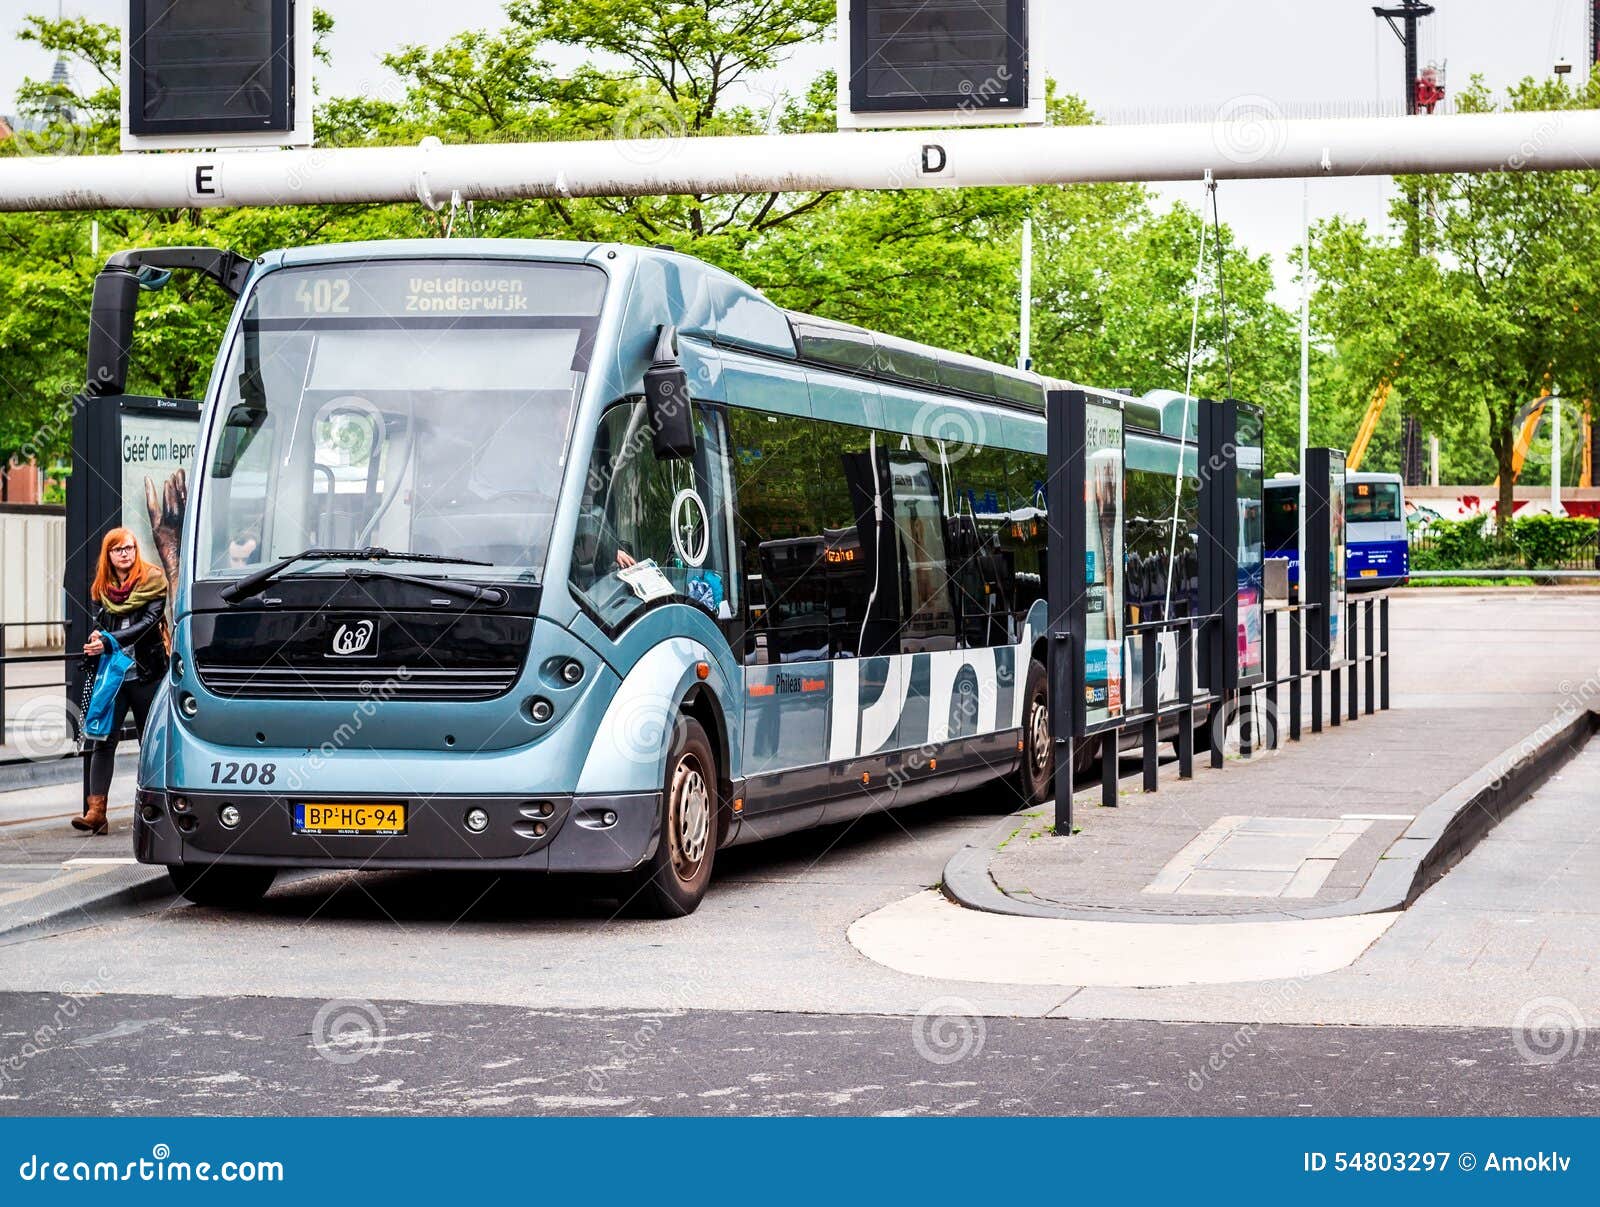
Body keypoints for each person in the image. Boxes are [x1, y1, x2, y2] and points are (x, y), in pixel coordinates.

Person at [74, 529, 169, 835]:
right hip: (114, 676)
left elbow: (147, 624)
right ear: (109, 555)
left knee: (150, 744)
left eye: (129, 548)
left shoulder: (153, 580)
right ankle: (96, 812)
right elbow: (100, 623)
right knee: (103, 740)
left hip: (146, 673)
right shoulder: (101, 587)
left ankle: (156, 811)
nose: (125, 553)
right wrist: (95, 638)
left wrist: (108, 640)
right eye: (118, 550)